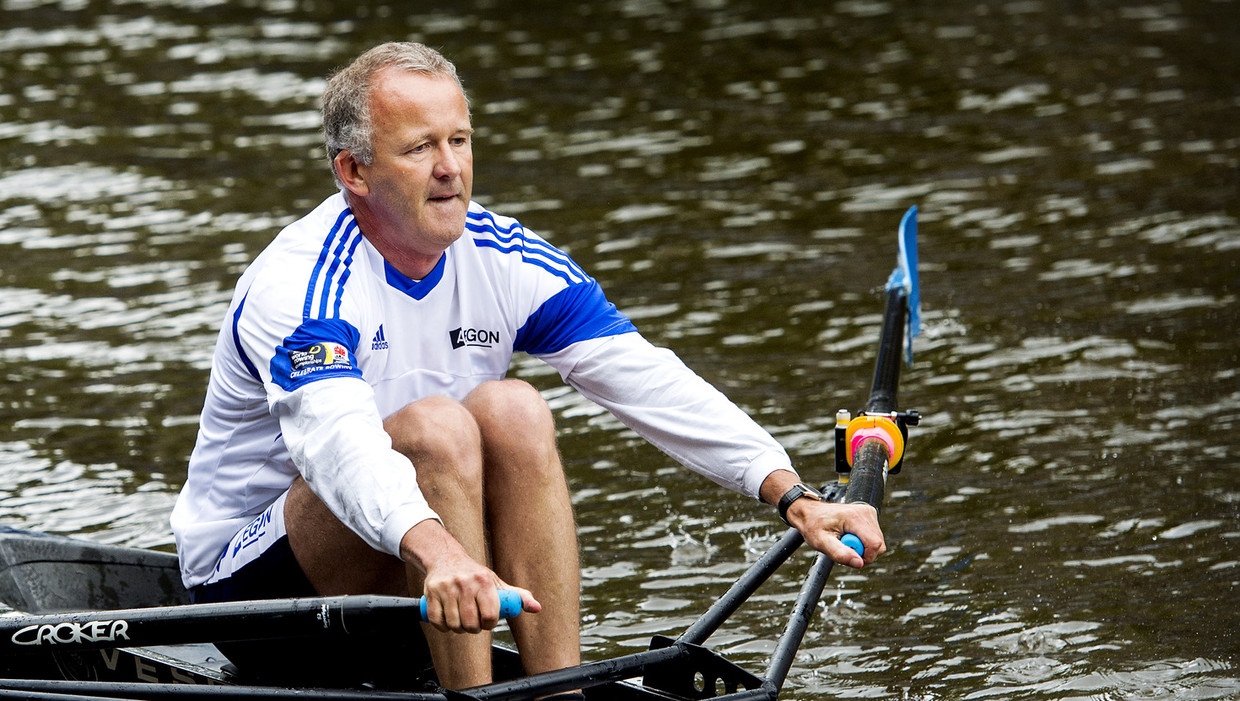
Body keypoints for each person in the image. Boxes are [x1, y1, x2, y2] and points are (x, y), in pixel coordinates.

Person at [170, 41, 885, 691]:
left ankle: (555, 690)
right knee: (437, 430)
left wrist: (792, 493)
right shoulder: (303, 283)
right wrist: (437, 550)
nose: (450, 167)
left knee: (516, 409)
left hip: (426, 567)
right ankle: (476, 695)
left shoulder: (502, 256)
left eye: (459, 139)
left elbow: (644, 376)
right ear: (354, 171)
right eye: (421, 147)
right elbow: (336, 444)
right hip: (255, 600)